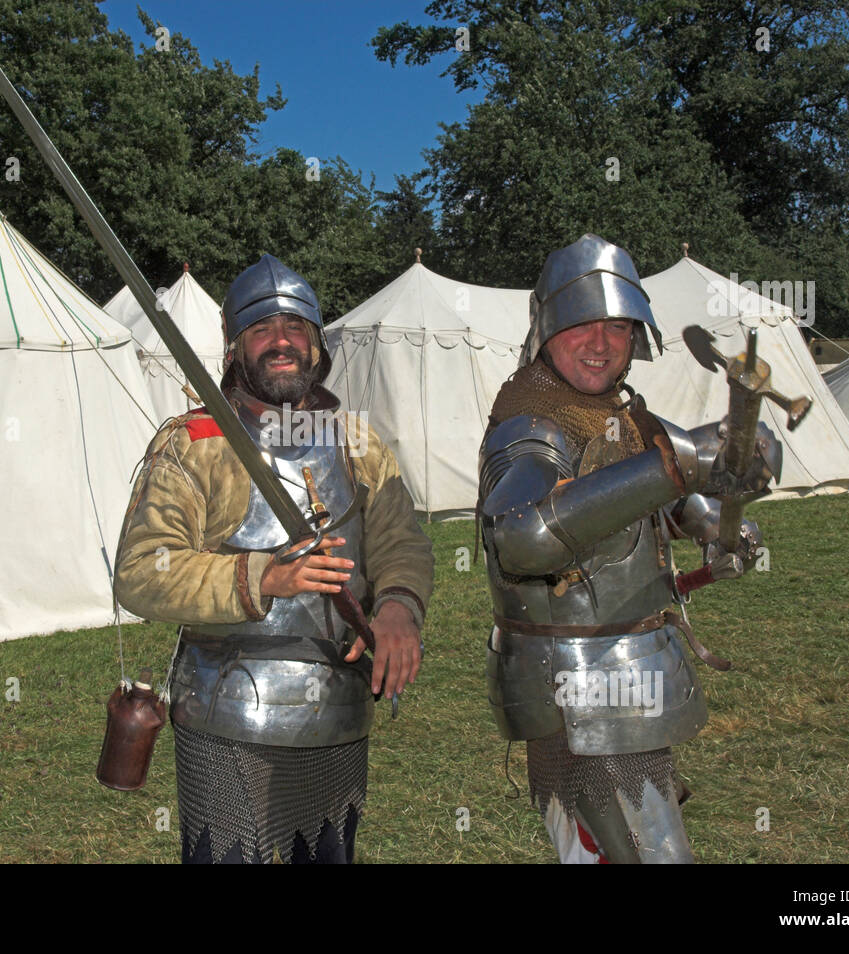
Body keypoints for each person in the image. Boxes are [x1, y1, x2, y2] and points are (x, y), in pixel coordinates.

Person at [114, 254, 433, 864]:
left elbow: (402, 543)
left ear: (316, 346)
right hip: (229, 710)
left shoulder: (356, 441)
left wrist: (397, 607)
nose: (281, 342)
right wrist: (262, 575)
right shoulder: (196, 443)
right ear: (235, 349)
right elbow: (141, 568)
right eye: (261, 329)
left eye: (295, 329)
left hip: (337, 707)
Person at [478, 234, 779, 863]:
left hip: (629, 673)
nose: (601, 343)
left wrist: (722, 518)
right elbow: (522, 537)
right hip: (577, 690)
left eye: (618, 327)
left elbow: (672, 498)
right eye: (583, 323)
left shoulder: (620, 415)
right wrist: (676, 466)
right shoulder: (530, 427)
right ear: (547, 330)